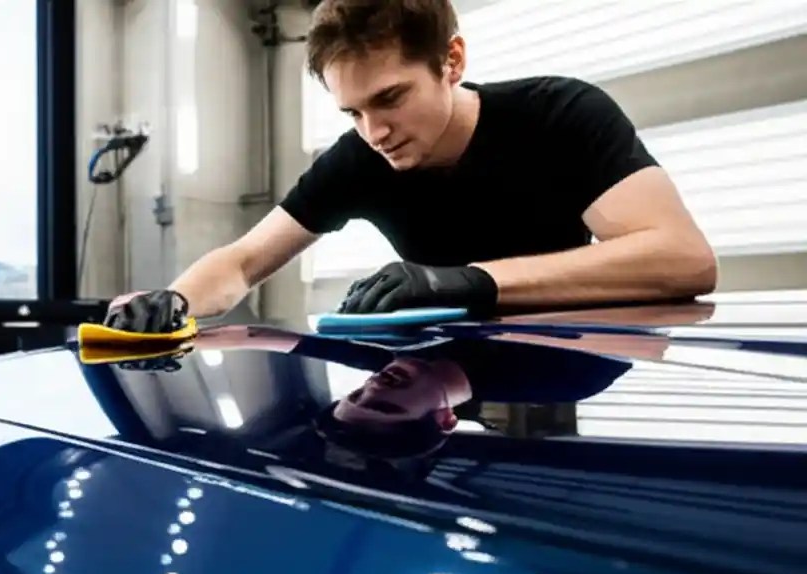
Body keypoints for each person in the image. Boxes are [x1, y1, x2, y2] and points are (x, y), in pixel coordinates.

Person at [104, 0, 717, 333]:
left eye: (391, 98)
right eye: (353, 113)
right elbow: (242, 261)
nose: (375, 133)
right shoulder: (358, 160)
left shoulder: (562, 114)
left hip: (573, 372)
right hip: (435, 385)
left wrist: (470, 281)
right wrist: (174, 300)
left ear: (451, 60)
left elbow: (684, 259)